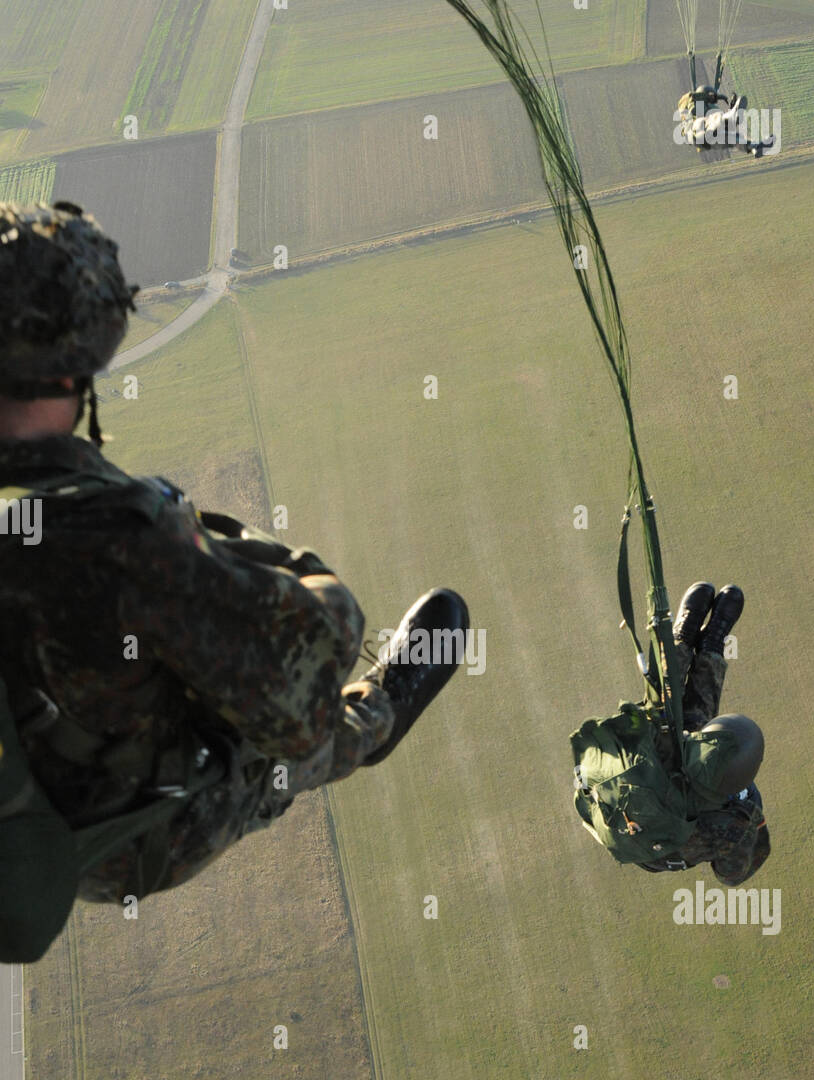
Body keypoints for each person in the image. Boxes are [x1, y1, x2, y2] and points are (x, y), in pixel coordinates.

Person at [0, 201, 469, 962]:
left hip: (26, 806)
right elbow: (304, 683)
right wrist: (259, 566)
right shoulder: (109, 544)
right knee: (294, 738)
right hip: (131, 831)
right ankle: (380, 718)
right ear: (69, 369)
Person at [639, 581, 770, 885]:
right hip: (659, 823)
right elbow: (733, 874)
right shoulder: (735, 821)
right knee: (684, 724)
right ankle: (708, 644)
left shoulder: (730, 820)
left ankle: (686, 641)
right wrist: (748, 819)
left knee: (661, 717)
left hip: (655, 840)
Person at [677, 86, 774, 158]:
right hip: (696, 131)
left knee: (733, 138)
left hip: (708, 142)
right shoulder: (692, 104)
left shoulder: (709, 108)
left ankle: (754, 147)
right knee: (716, 119)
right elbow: (690, 100)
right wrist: (717, 96)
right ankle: (732, 115)